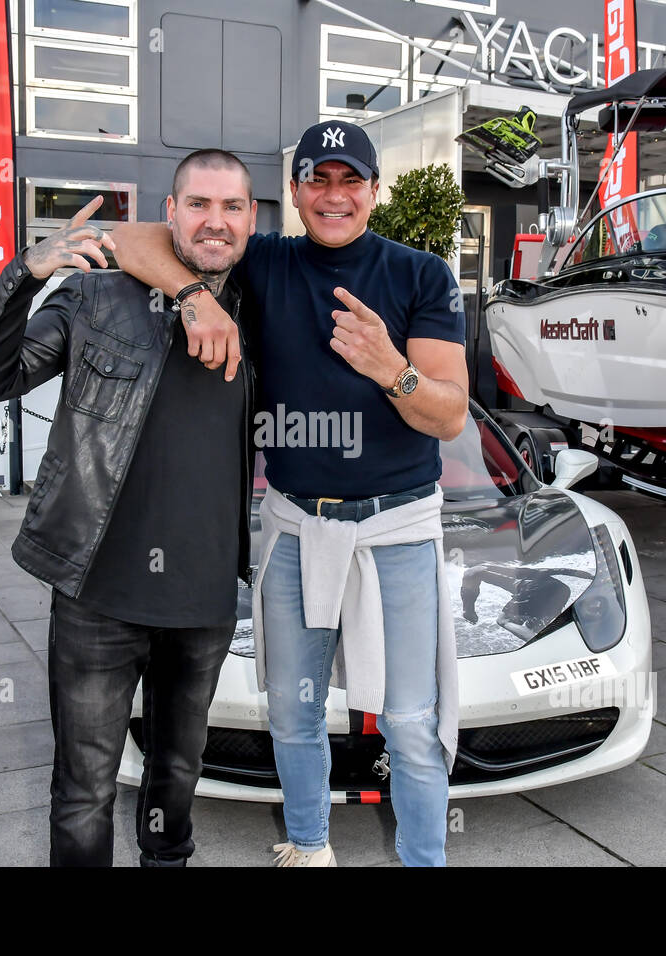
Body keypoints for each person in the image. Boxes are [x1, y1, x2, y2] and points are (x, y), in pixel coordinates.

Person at [112, 121, 468, 867]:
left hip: (397, 528)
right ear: (297, 191)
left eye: (350, 181)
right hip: (296, 526)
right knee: (293, 711)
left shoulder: (421, 275)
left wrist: (388, 367)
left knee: (409, 722)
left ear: (374, 190)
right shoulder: (265, 261)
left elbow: (450, 413)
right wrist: (194, 299)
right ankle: (309, 846)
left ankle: (425, 861)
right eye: (318, 180)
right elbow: (130, 240)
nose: (334, 196)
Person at [0, 149, 258, 866]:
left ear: (252, 218)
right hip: (99, 597)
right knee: (84, 790)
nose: (214, 222)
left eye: (232, 207)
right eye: (198, 204)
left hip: (206, 600)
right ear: (172, 212)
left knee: (176, 784)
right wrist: (24, 276)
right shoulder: (98, 299)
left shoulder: (266, 301)